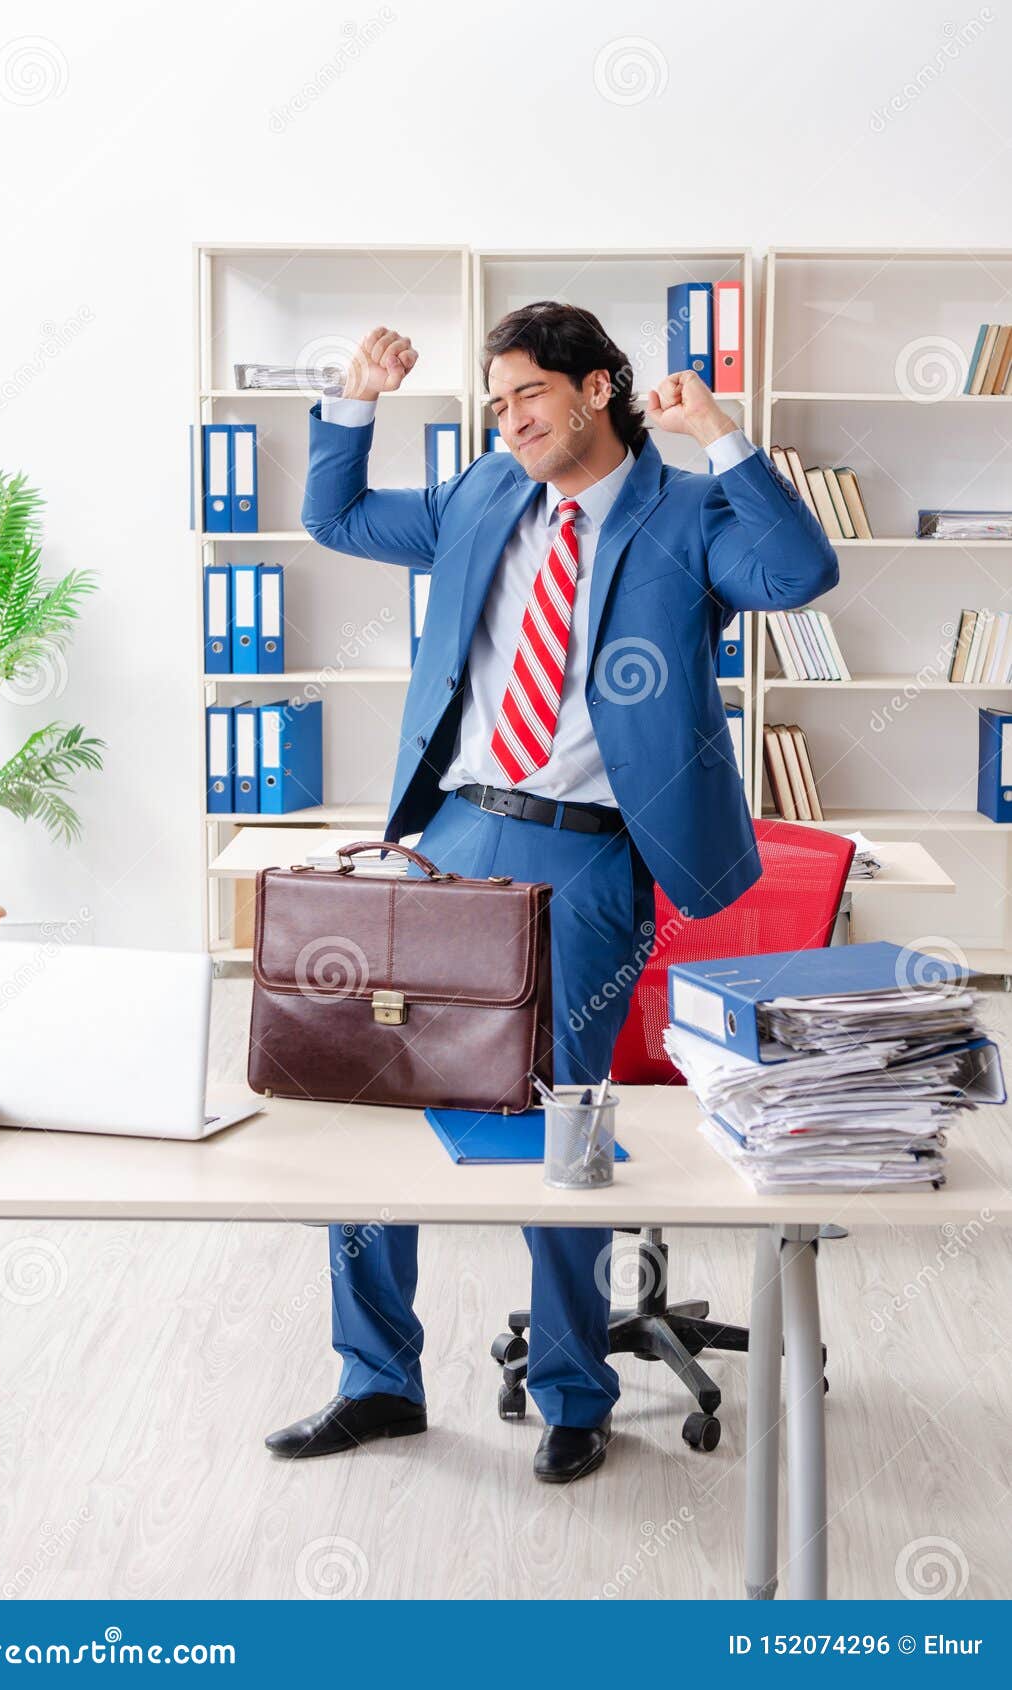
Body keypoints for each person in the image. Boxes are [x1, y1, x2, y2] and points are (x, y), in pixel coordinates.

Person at [265, 301, 838, 1482]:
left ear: (595, 388)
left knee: (562, 1127)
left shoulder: (688, 511)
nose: (510, 419)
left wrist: (724, 436)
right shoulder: (483, 491)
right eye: (496, 401)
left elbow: (800, 570)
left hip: (583, 852)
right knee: (378, 1101)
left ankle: (574, 1392)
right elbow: (336, 516)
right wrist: (354, 399)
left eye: (527, 392)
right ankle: (377, 1381)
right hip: (452, 835)